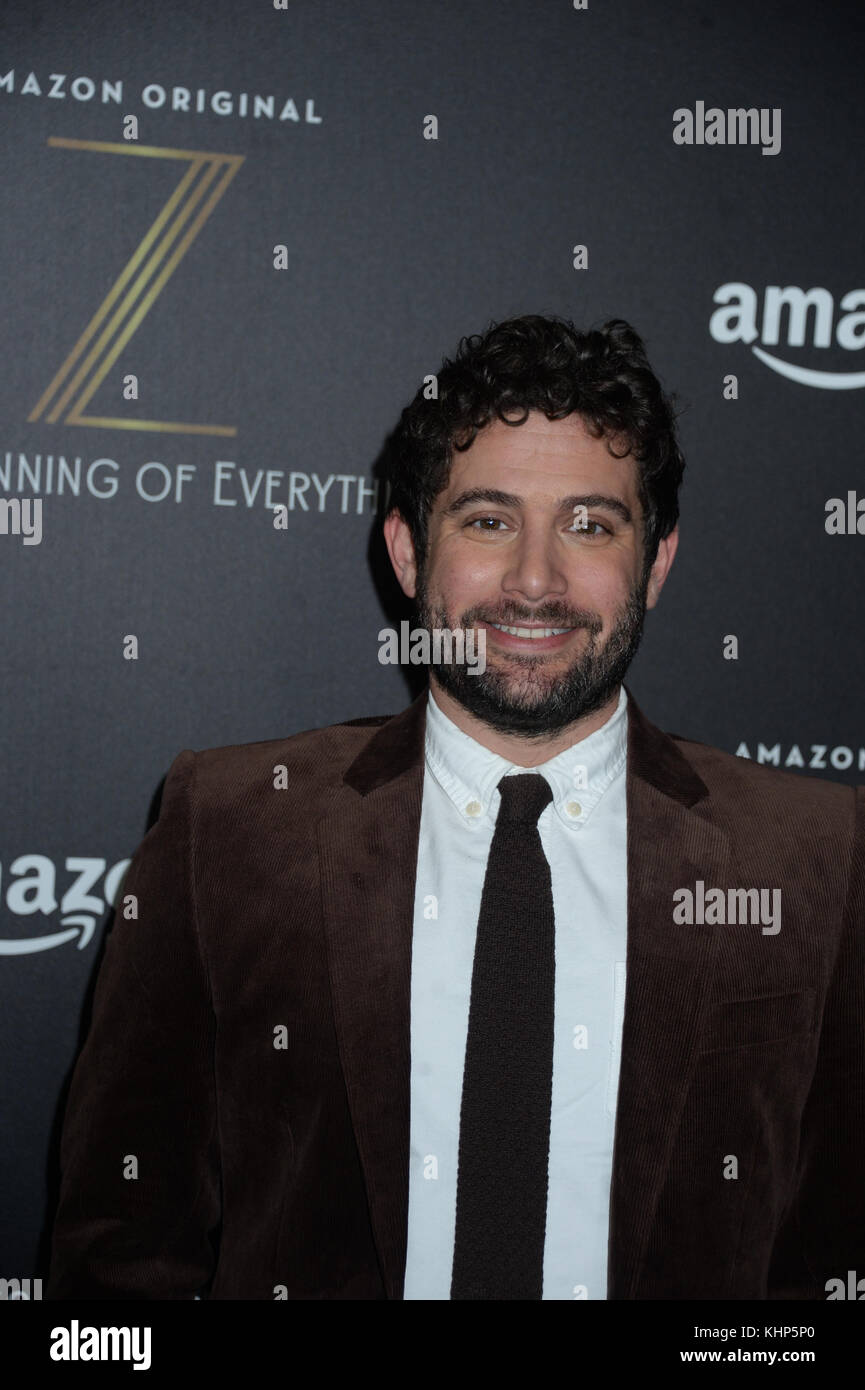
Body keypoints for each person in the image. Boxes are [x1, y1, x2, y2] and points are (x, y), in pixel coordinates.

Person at [47, 315, 864, 1300]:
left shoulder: (811, 855)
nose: (534, 579)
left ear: (655, 563)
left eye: (588, 524)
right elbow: (121, 1248)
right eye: (487, 519)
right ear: (405, 551)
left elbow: (832, 1269)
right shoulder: (227, 828)